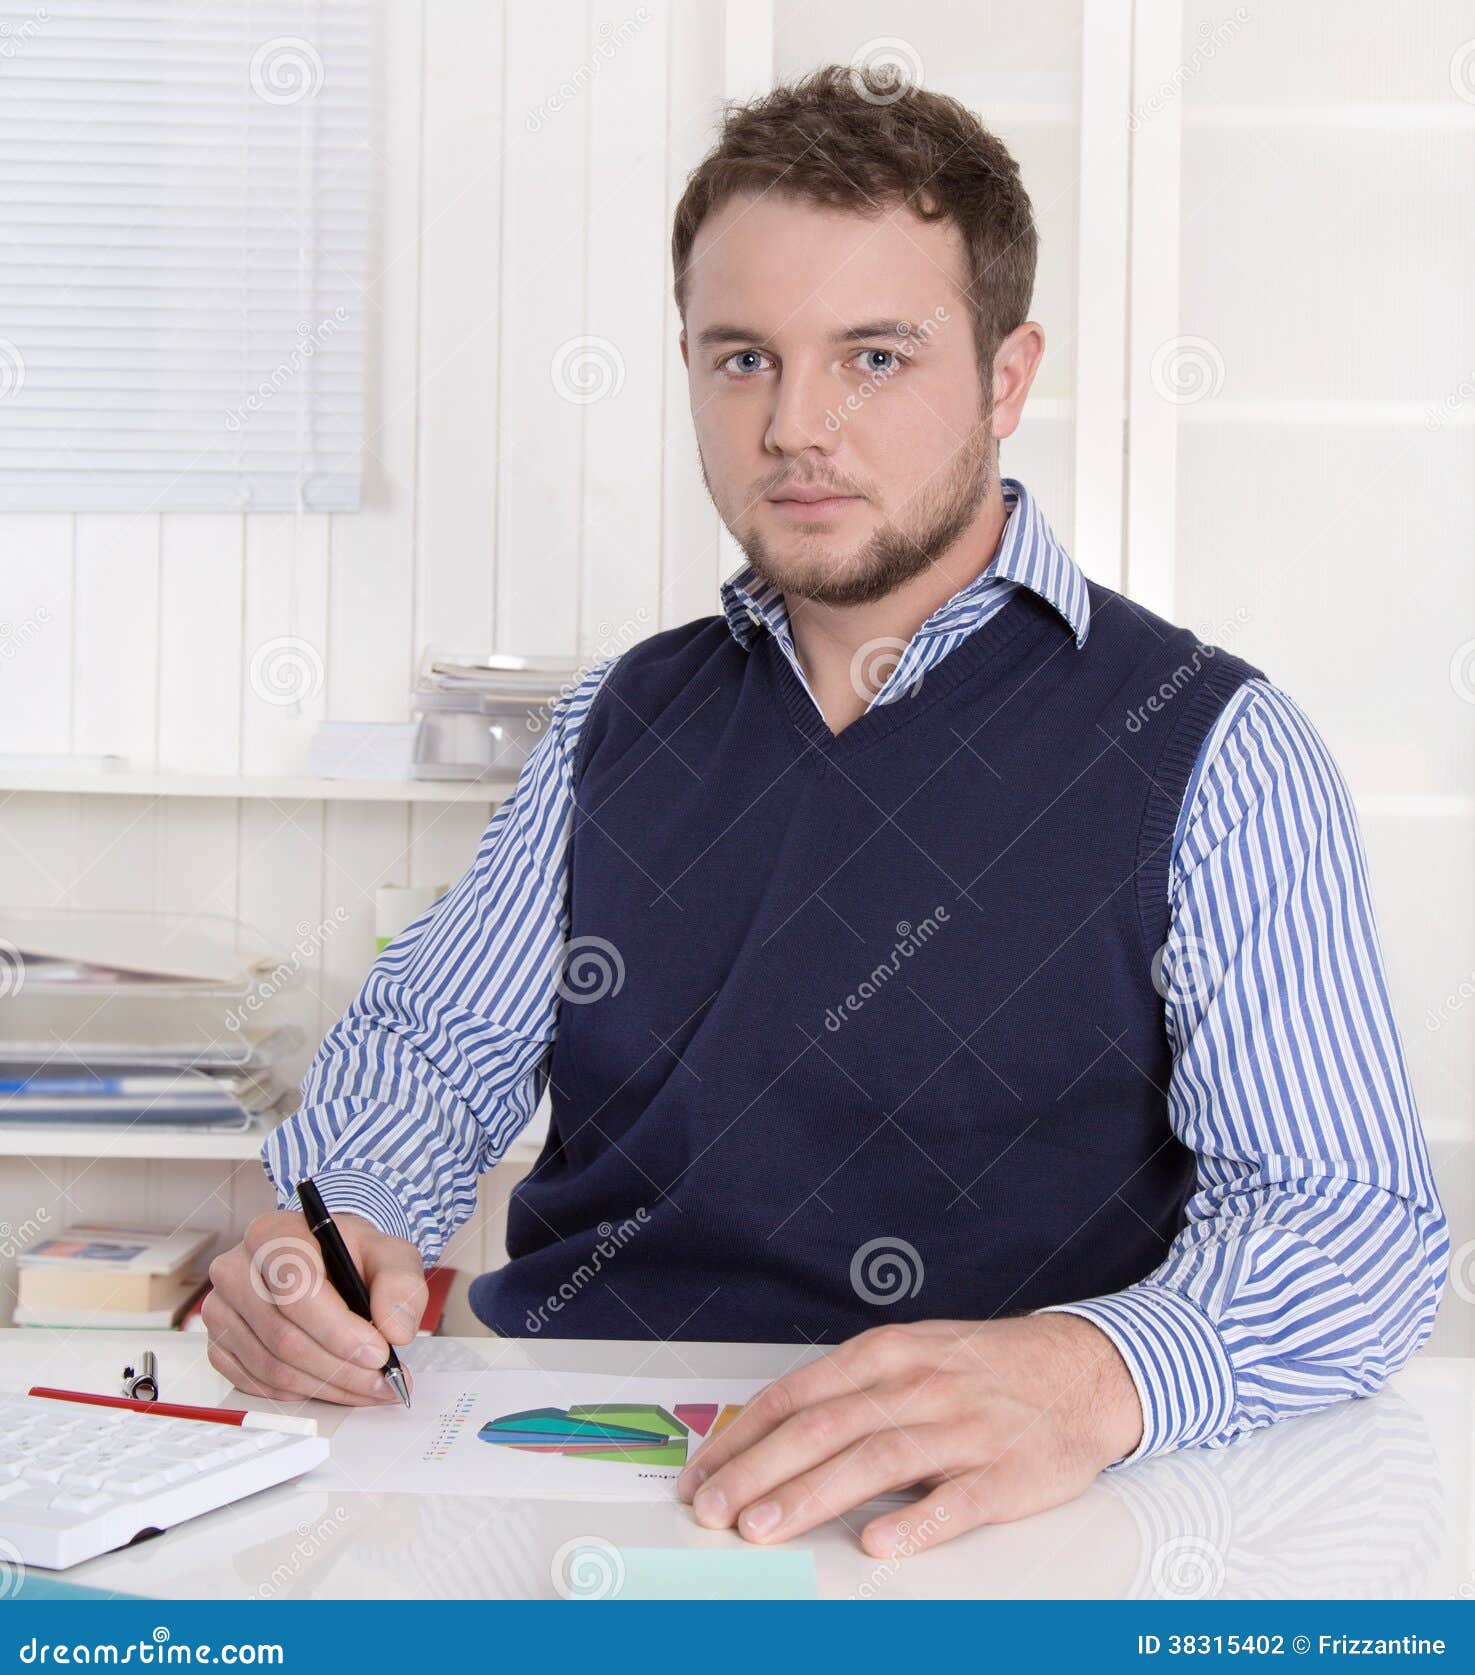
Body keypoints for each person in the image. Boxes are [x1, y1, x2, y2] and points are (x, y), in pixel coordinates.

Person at [205, 65, 1448, 1559]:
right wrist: (325, 1251)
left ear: (1004, 375)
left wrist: (1100, 1368)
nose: (797, 425)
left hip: (1005, 1520)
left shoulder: (1215, 749)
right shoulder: (615, 721)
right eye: (743, 359)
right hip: (585, 1483)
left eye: (872, 357)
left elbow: (1352, 1225)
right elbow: (423, 1057)